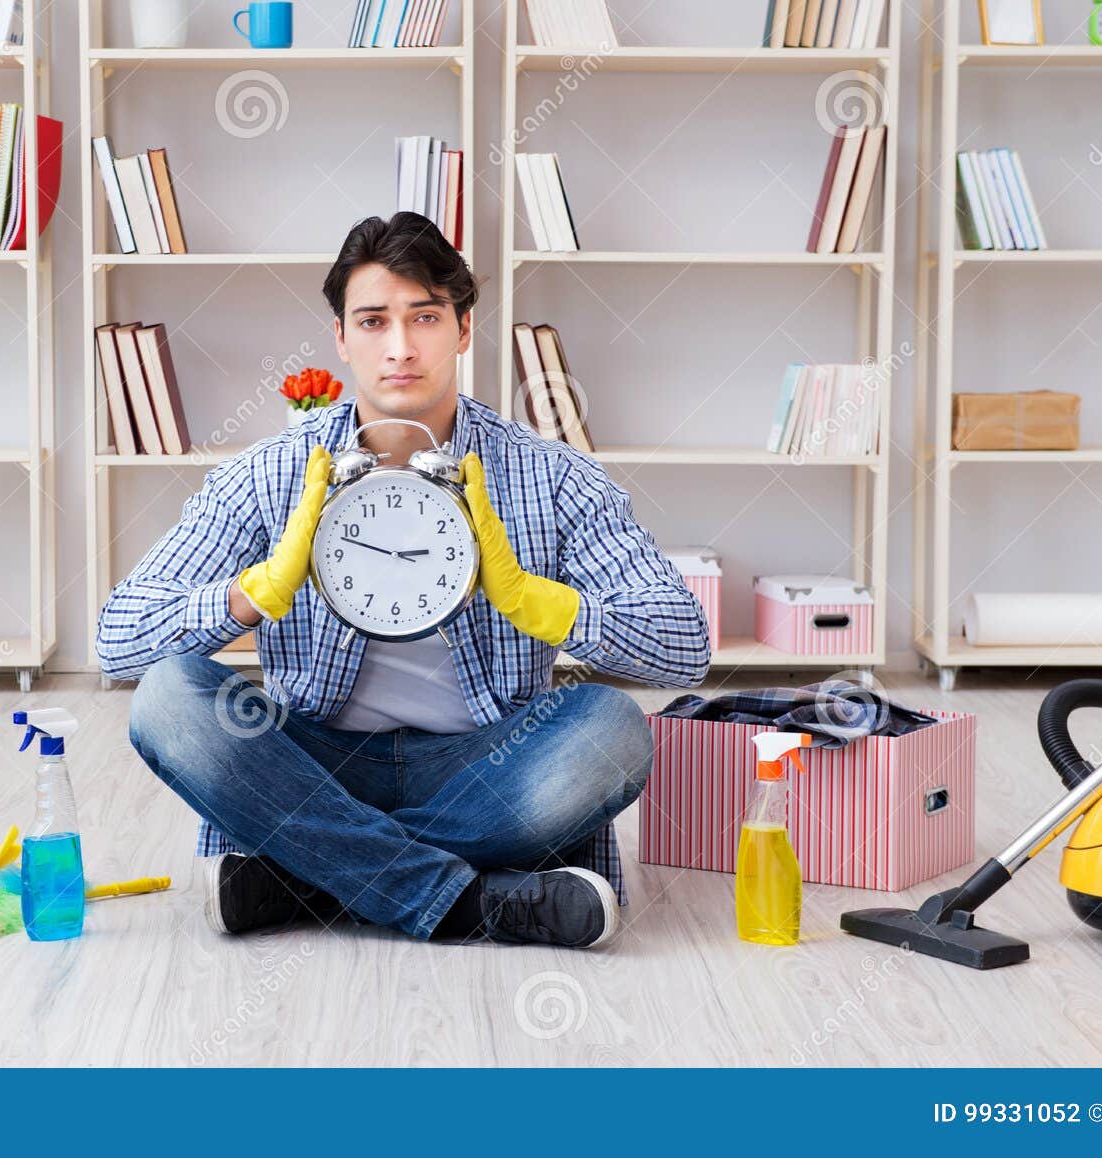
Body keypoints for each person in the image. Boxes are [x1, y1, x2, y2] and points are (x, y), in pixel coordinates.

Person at [99, 211, 710, 949]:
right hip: (313, 762)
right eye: (373, 320)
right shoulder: (272, 473)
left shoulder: (551, 476)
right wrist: (252, 592)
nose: (399, 347)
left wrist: (536, 601)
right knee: (170, 697)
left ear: (461, 328)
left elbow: (684, 648)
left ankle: (308, 875)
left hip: (489, 768)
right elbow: (118, 641)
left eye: (424, 317)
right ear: (341, 338)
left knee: (611, 730)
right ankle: (469, 902)